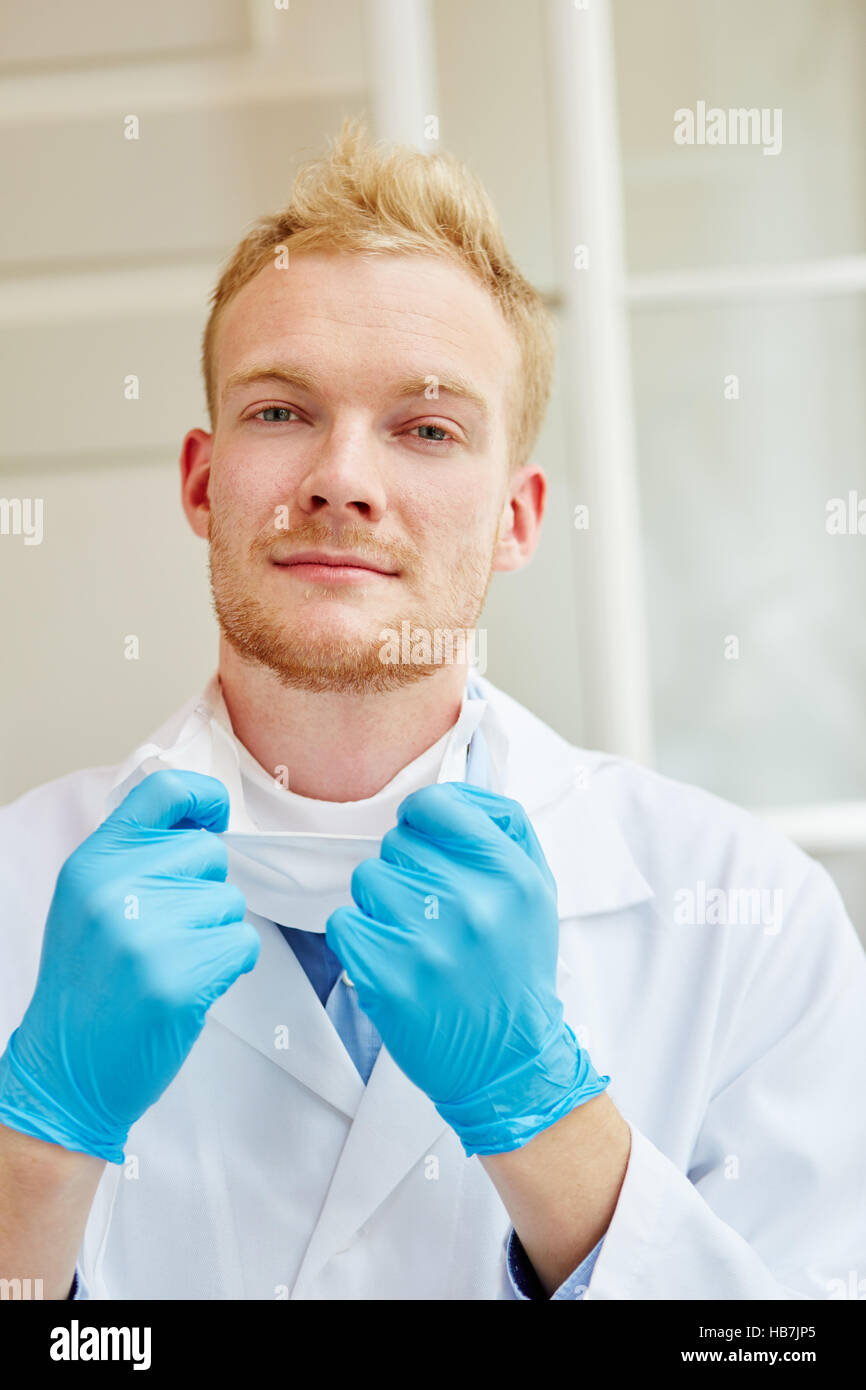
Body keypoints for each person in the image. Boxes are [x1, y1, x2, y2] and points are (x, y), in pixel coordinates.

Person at [0, 117, 864, 1303]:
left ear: (515, 516)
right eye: (280, 411)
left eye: (426, 429)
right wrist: (37, 1144)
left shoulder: (749, 921)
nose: (343, 477)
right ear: (204, 480)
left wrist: (540, 1112)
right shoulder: (16, 889)